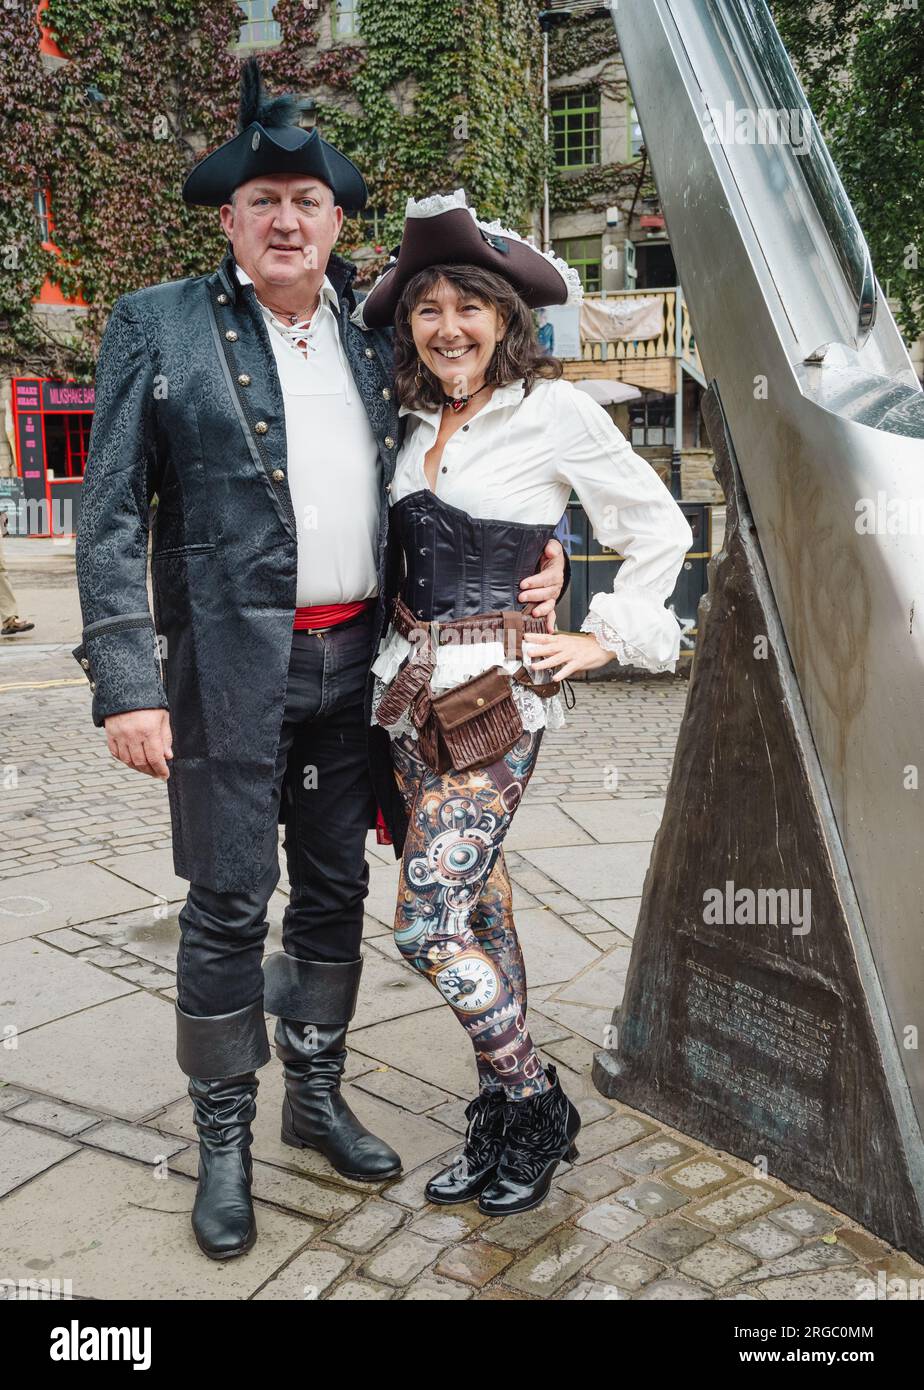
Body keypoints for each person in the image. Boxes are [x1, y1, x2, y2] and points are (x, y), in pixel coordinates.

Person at [71, 67, 569, 1261]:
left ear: (338, 221)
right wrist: (128, 683)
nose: (286, 219)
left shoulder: (373, 338)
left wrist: (550, 558)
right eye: (263, 201)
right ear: (230, 219)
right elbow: (109, 513)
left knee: (337, 890)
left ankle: (315, 1096)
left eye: (307, 201)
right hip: (224, 670)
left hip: (361, 667)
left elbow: (475, 455)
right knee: (229, 899)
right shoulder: (156, 324)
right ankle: (225, 1142)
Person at [356, 188, 693, 1216]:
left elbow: (659, 528)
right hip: (407, 700)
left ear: (505, 317)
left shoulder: (555, 411)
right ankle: (503, 1117)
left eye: (469, 305)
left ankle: (536, 1099)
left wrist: (600, 636)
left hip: (497, 703)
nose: (448, 326)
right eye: (428, 308)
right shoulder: (408, 420)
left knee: (426, 926)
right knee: (481, 906)